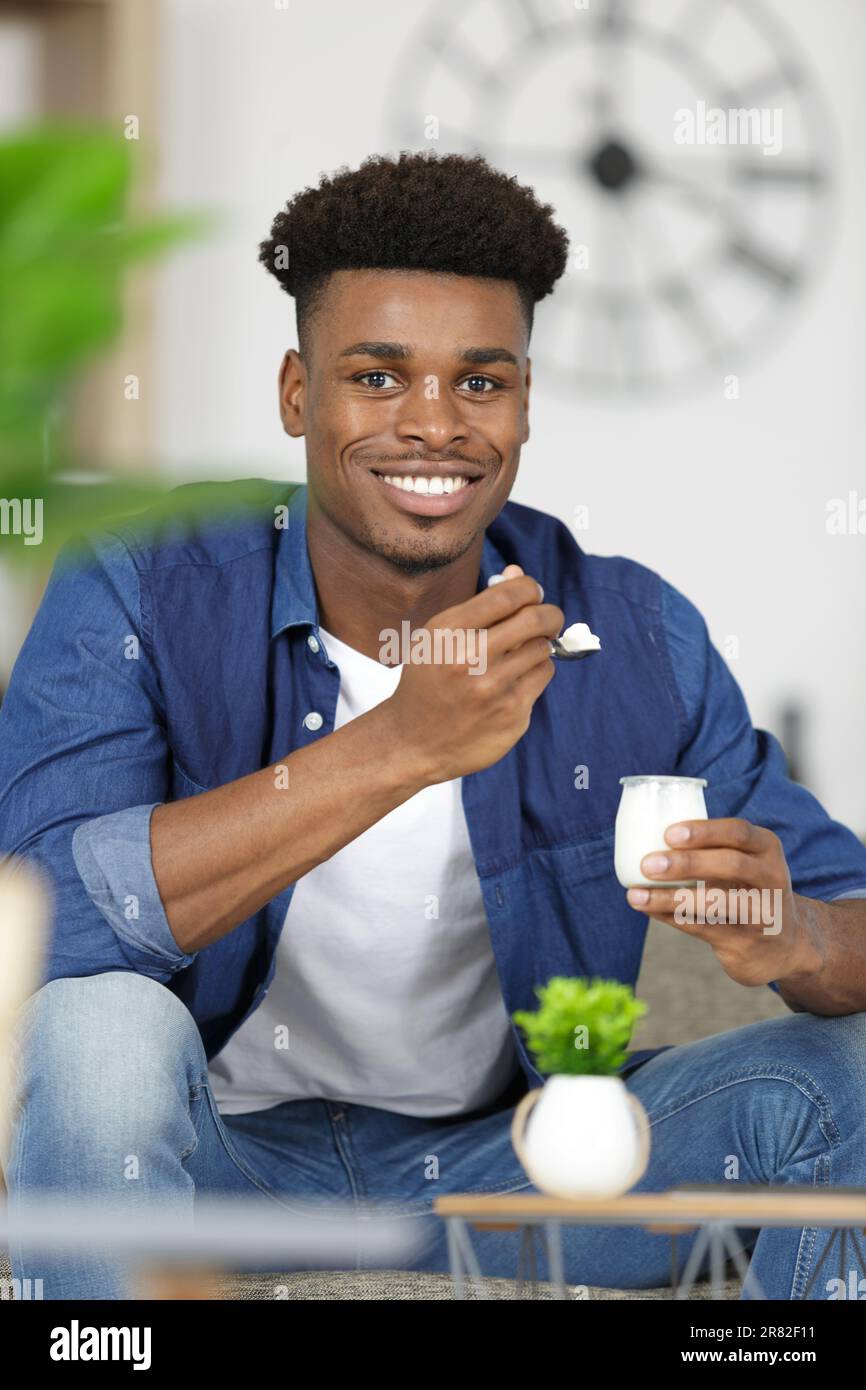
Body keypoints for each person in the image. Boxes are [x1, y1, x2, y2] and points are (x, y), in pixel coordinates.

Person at [1, 151, 865, 1301]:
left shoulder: (631, 628)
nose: (433, 426)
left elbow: (847, 926)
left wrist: (798, 935)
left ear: (520, 405)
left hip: (513, 1174)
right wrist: (399, 744)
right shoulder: (141, 587)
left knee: (838, 1075)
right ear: (297, 394)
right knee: (96, 1029)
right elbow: (40, 930)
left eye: (478, 382)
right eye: (377, 375)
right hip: (211, 1172)